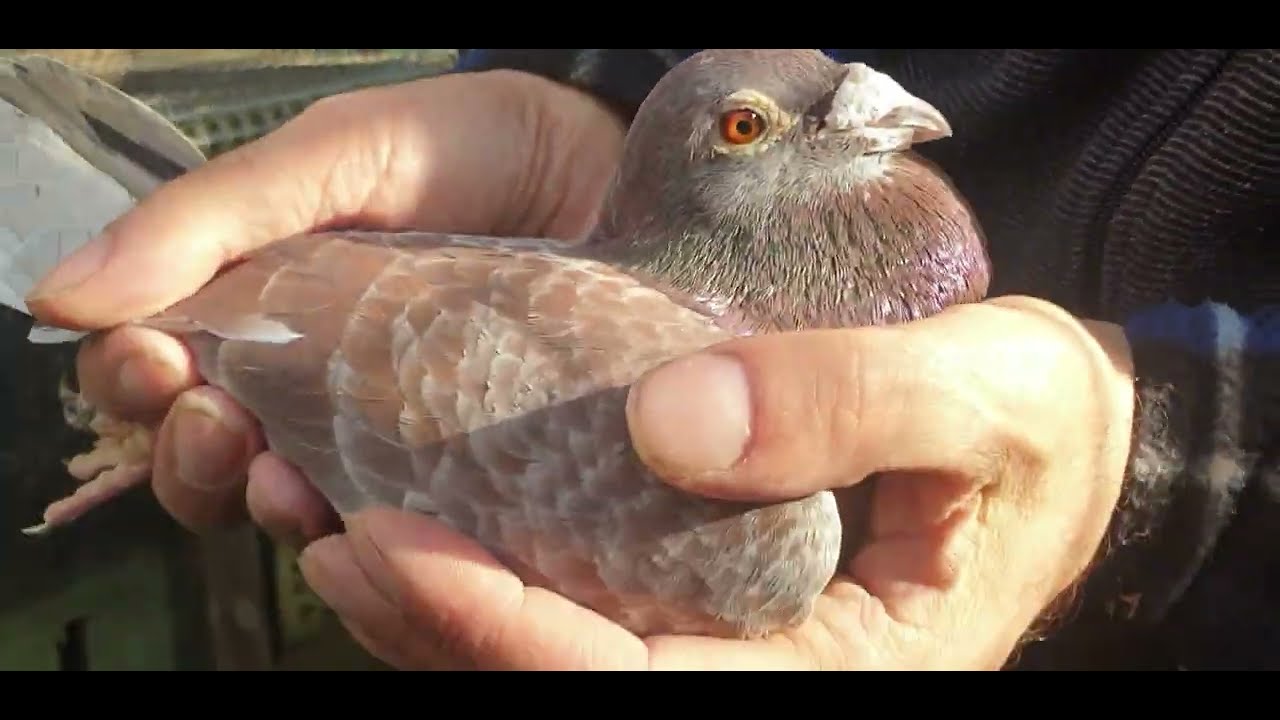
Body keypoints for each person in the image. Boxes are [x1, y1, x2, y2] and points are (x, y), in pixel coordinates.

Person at [24, 49, 1280, 670]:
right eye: (750, 125)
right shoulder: (748, 507)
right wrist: (578, 87)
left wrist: (1162, 459)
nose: (874, 99)